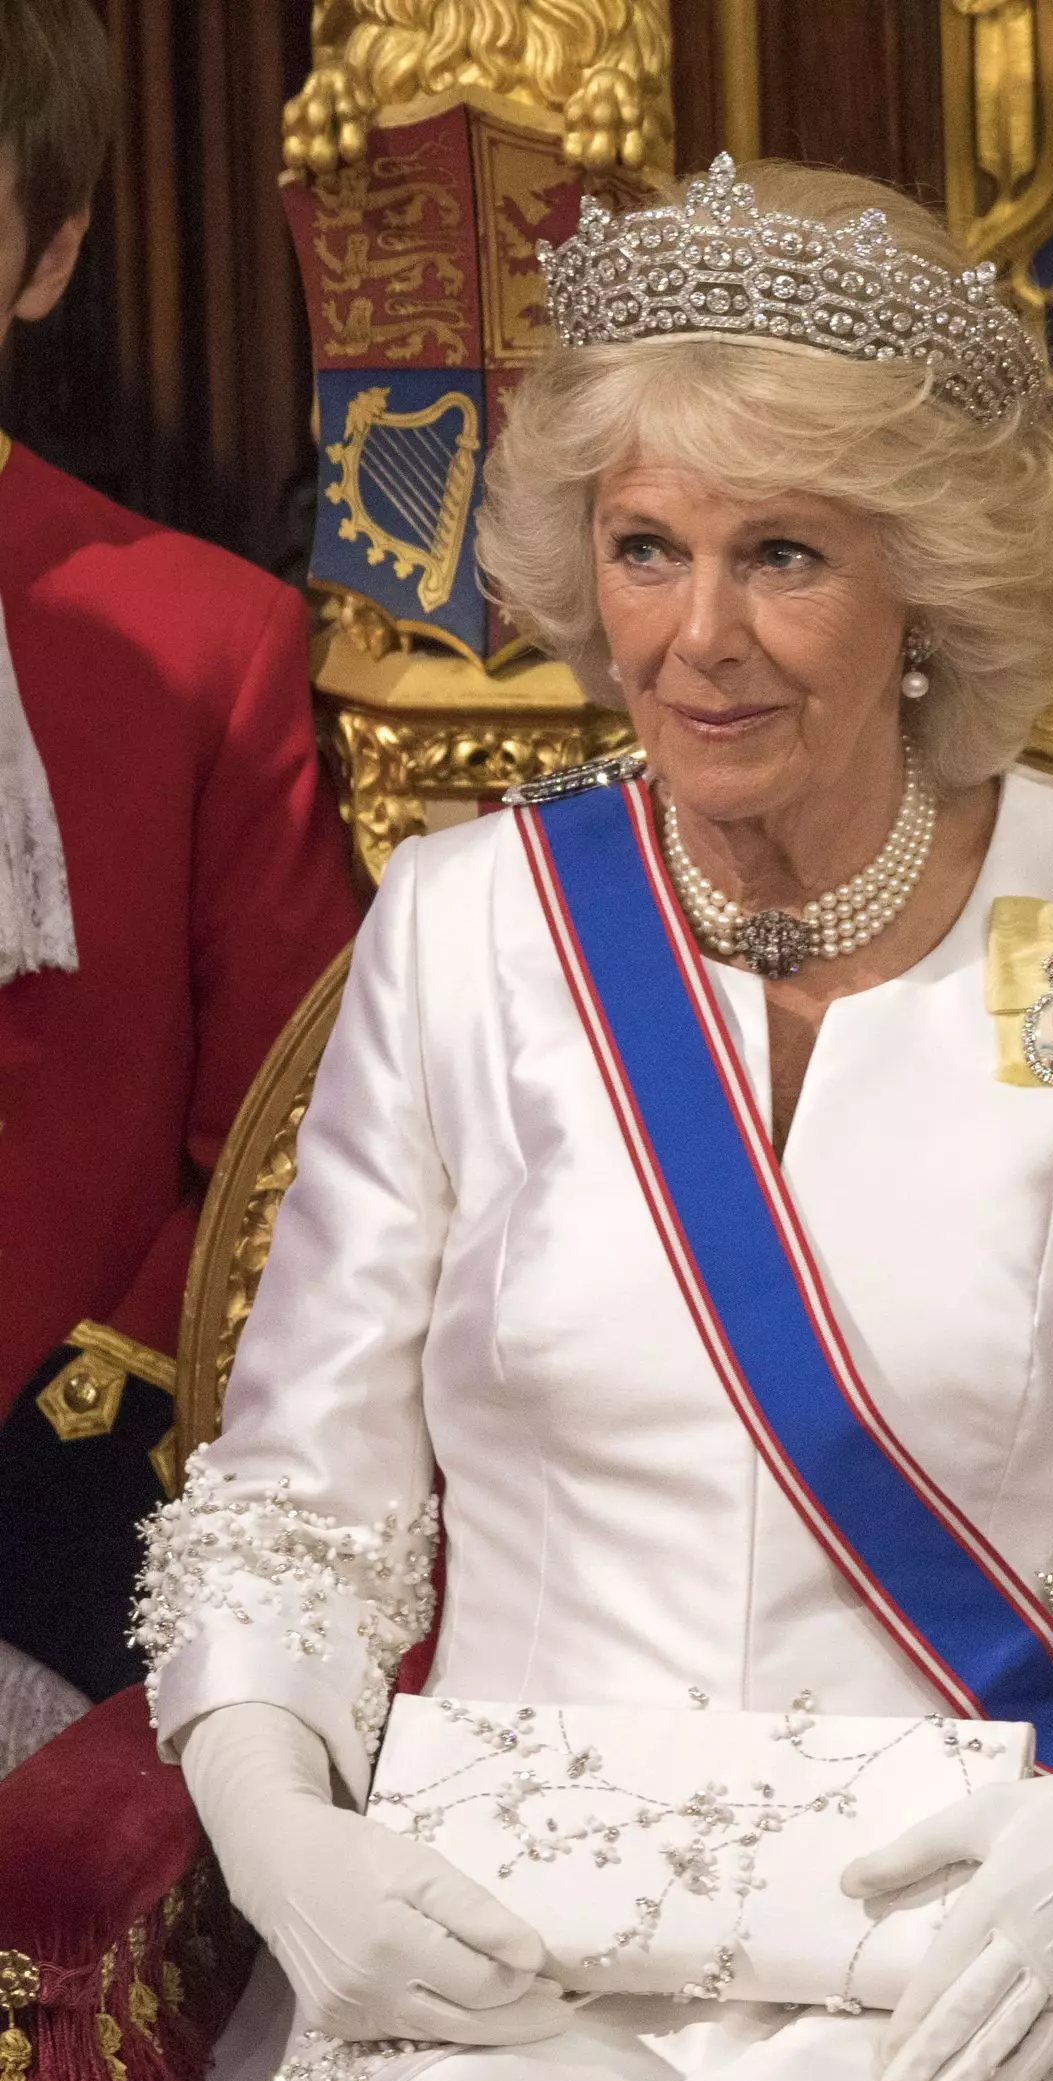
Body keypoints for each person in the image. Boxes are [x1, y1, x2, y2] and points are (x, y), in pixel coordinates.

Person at [44, 159, 1053, 2081]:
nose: (695, 636)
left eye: (782, 556)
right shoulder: (469, 933)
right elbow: (292, 1502)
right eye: (647, 549)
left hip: (955, 1949)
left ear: (928, 584)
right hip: (497, 1952)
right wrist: (274, 1822)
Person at [0, 0, 361, 1714]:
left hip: (36, 1549)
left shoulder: (207, 644)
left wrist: (64, 1487)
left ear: (48, 253)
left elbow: (278, 1148)